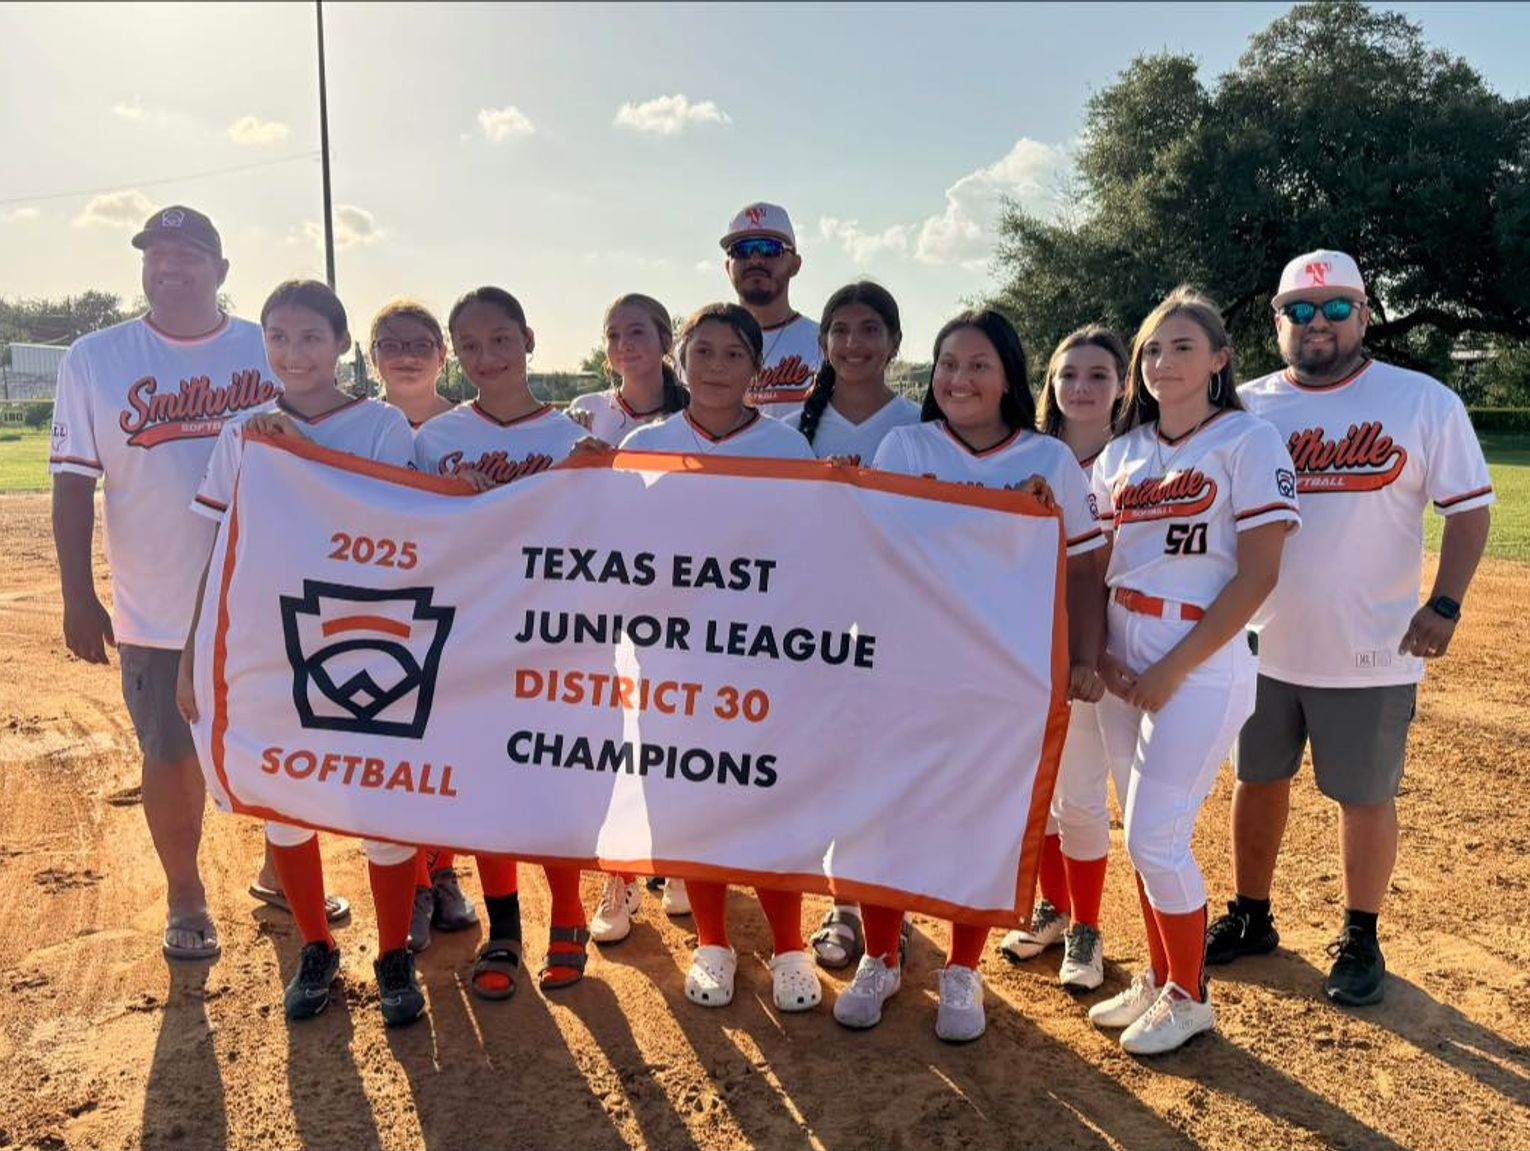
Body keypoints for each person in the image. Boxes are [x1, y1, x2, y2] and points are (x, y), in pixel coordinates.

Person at [1207, 250, 1494, 1006]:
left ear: (1365, 313)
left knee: (1365, 792)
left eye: (1337, 307)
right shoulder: (1245, 406)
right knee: (1256, 778)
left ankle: (1361, 933)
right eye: (1300, 311)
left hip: (1374, 646)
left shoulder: (1420, 400)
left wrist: (1446, 604)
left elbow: (1469, 507)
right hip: (1262, 640)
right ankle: (1251, 913)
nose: (1319, 324)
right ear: (1277, 323)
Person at [842, 309, 1107, 1041]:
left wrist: (1083, 657)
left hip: (1004, 677)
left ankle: (963, 966)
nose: (960, 378)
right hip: (906, 668)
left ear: (1008, 377)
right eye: (948, 364)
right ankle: (882, 956)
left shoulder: (1050, 460)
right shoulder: (904, 443)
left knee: (979, 820)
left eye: (979, 364)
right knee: (884, 815)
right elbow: (867, 549)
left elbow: (1086, 570)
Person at [177, 279, 427, 1027]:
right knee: (285, 796)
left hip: (370, 630)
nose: (295, 352)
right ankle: (315, 943)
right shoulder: (245, 431)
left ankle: (392, 952)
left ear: (342, 344)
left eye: (312, 336)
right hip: (270, 633)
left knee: (381, 799)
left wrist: (305, 463)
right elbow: (215, 545)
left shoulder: (383, 426)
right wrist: (195, 648)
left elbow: (412, 524)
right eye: (279, 337)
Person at [49, 204, 280, 961]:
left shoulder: (269, 347)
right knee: (169, 750)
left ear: (221, 269)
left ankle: (284, 867)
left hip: (265, 596)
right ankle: (186, 891)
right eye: (157, 253)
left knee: (278, 738)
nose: (170, 266)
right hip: (155, 601)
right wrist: (78, 595)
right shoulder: (95, 356)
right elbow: (73, 483)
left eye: (188, 253)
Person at [1084, 286, 1300, 1056]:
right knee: (1142, 834)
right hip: (1121, 649)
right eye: (1151, 349)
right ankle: (1157, 973)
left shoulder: (1247, 440)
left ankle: (1190, 993)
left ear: (1219, 358)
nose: (1163, 361)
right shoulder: (1124, 452)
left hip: (1199, 658)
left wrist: (1173, 666)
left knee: (1155, 838)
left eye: (1182, 346)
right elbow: (1095, 563)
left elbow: (1259, 574)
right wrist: (1099, 653)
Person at [618, 303, 819, 1012]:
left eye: (734, 354)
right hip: (671, 660)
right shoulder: (643, 444)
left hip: (761, 656)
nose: (716, 367)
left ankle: (791, 944)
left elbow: (814, 553)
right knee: (690, 796)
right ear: (680, 358)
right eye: (702, 351)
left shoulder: (789, 449)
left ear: (757, 370)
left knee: (770, 796)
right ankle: (713, 940)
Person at [412, 285, 594, 998]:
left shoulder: (569, 438)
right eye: (470, 343)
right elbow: (410, 538)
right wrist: (447, 497)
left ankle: (570, 918)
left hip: (556, 634)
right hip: (471, 634)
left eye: (500, 338)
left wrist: (593, 473)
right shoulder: (436, 438)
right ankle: (506, 926)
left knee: (555, 783)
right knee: (486, 783)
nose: (486, 355)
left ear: (528, 339)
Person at [774, 281, 921, 971]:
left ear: (893, 341)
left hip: (897, 621)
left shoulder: (920, 424)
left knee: (886, 761)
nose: (855, 343)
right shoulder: (793, 429)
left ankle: (888, 896)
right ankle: (844, 903)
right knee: (830, 760)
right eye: (840, 329)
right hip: (816, 620)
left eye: (870, 329)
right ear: (823, 342)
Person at [999, 326, 1129, 992]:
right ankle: (1050, 910)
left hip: (1095, 648)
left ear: (1123, 385)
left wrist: (1091, 650)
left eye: (1098, 375)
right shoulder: (1036, 455)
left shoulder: (1136, 457)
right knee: (1040, 792)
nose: (1080, 388)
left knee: (1079, 795)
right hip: (1026, 645)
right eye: (1067, 374)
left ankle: (1087, 925)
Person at [567, 292, 694, 941]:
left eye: (638, 331)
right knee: (610, 737)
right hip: (599, 599)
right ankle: (617, 880)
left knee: (670, 732)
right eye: (613, 333)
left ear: (665, 338)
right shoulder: (585, 411)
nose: (624, 345)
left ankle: (672, 863)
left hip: (675, 600)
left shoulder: (693, 411)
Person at [363, 298, 478, 953]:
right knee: (388, 755)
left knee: (442, 751)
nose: (406, 354)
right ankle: (411, 885)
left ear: (442, 354)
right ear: (373, 355)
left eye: (420, 343)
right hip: (374, 608)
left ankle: (441, 869)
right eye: (391, 343)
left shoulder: (465, 427)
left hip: (453, 606)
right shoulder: (358, 426)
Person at [717, 202, 820, 411]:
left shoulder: (824, 344)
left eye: (770, 248)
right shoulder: (699, 348)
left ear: (795, 264)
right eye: (741, 250)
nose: (755, 259)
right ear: (728, 267)